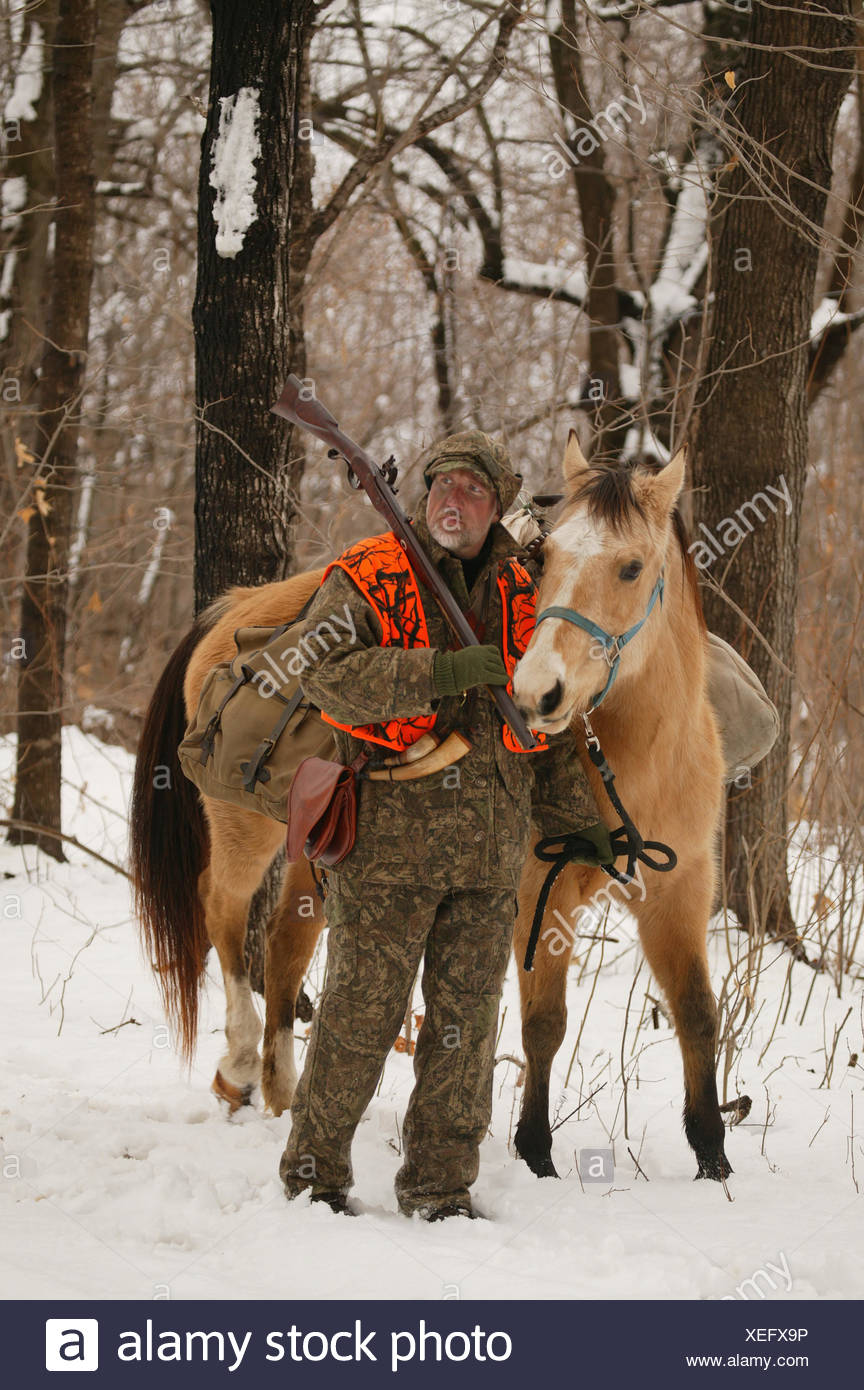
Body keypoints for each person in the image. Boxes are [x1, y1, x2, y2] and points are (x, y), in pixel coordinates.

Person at [279, 430, 612, 1220]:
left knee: (465, 1031)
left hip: (488, 860)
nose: (450, 501)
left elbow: (540, 726)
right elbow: (321, 674)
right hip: (385, 853)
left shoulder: (527, 592)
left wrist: (581, 823)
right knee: (358, 1019)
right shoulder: (373, 572)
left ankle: (439, 1185)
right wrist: (442, 671)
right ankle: (314, 1179)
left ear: (497, 507)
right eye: (440, 485)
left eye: (471, 489)